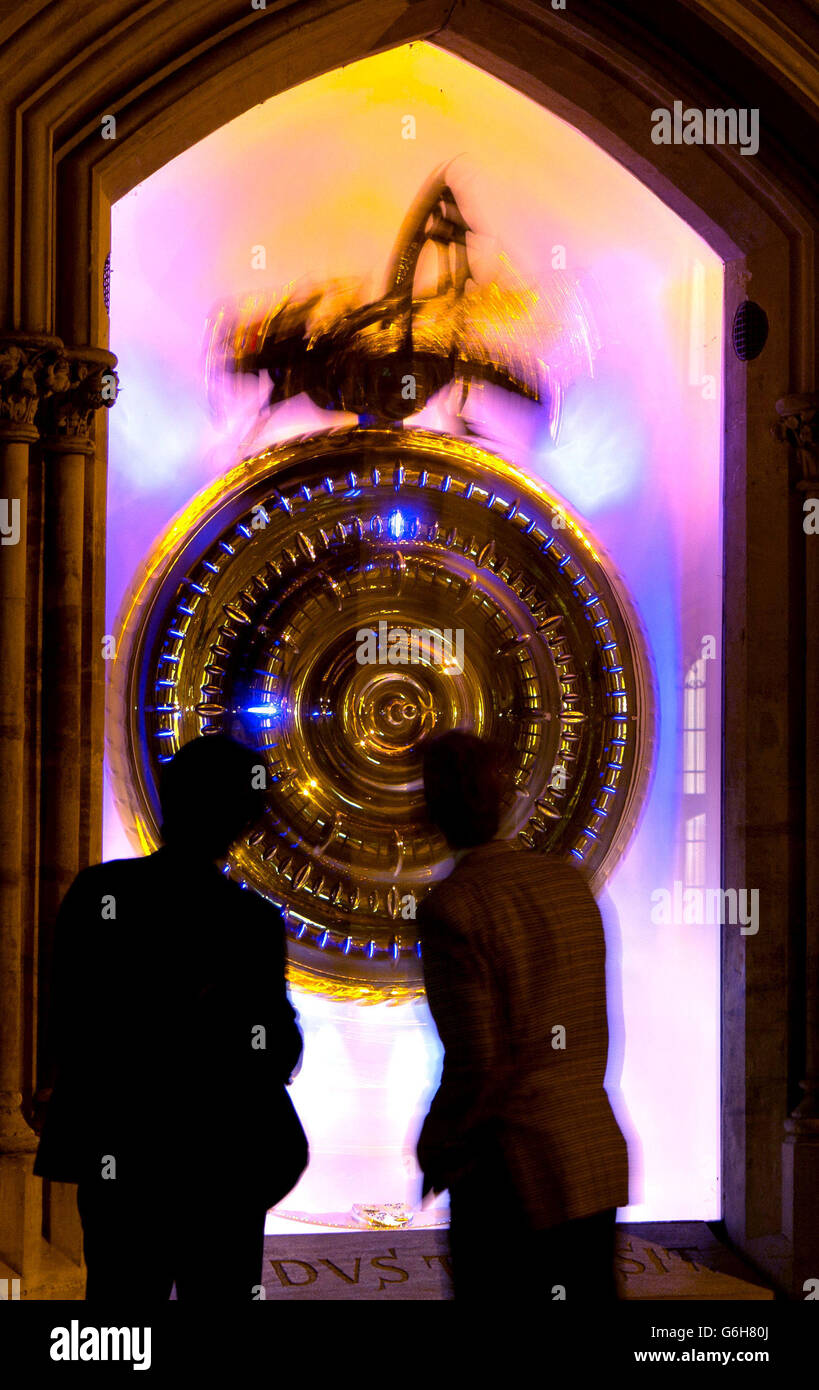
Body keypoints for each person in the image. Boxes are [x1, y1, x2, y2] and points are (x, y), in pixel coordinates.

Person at [33, 734, 307, 1300]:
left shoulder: (98, 893)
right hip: (219, 1163)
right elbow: (275, 1049)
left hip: (121, 1159)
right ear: (241, 823)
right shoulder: (247, 920)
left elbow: (67, 1022)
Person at [416, 730, 628, 1302]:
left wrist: (436, 1146)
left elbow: (480, 1064)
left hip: (512, 1176)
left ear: (433, 807)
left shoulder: (454, 908)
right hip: (591, 1156)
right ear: (505, 796)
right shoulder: (567, 883)